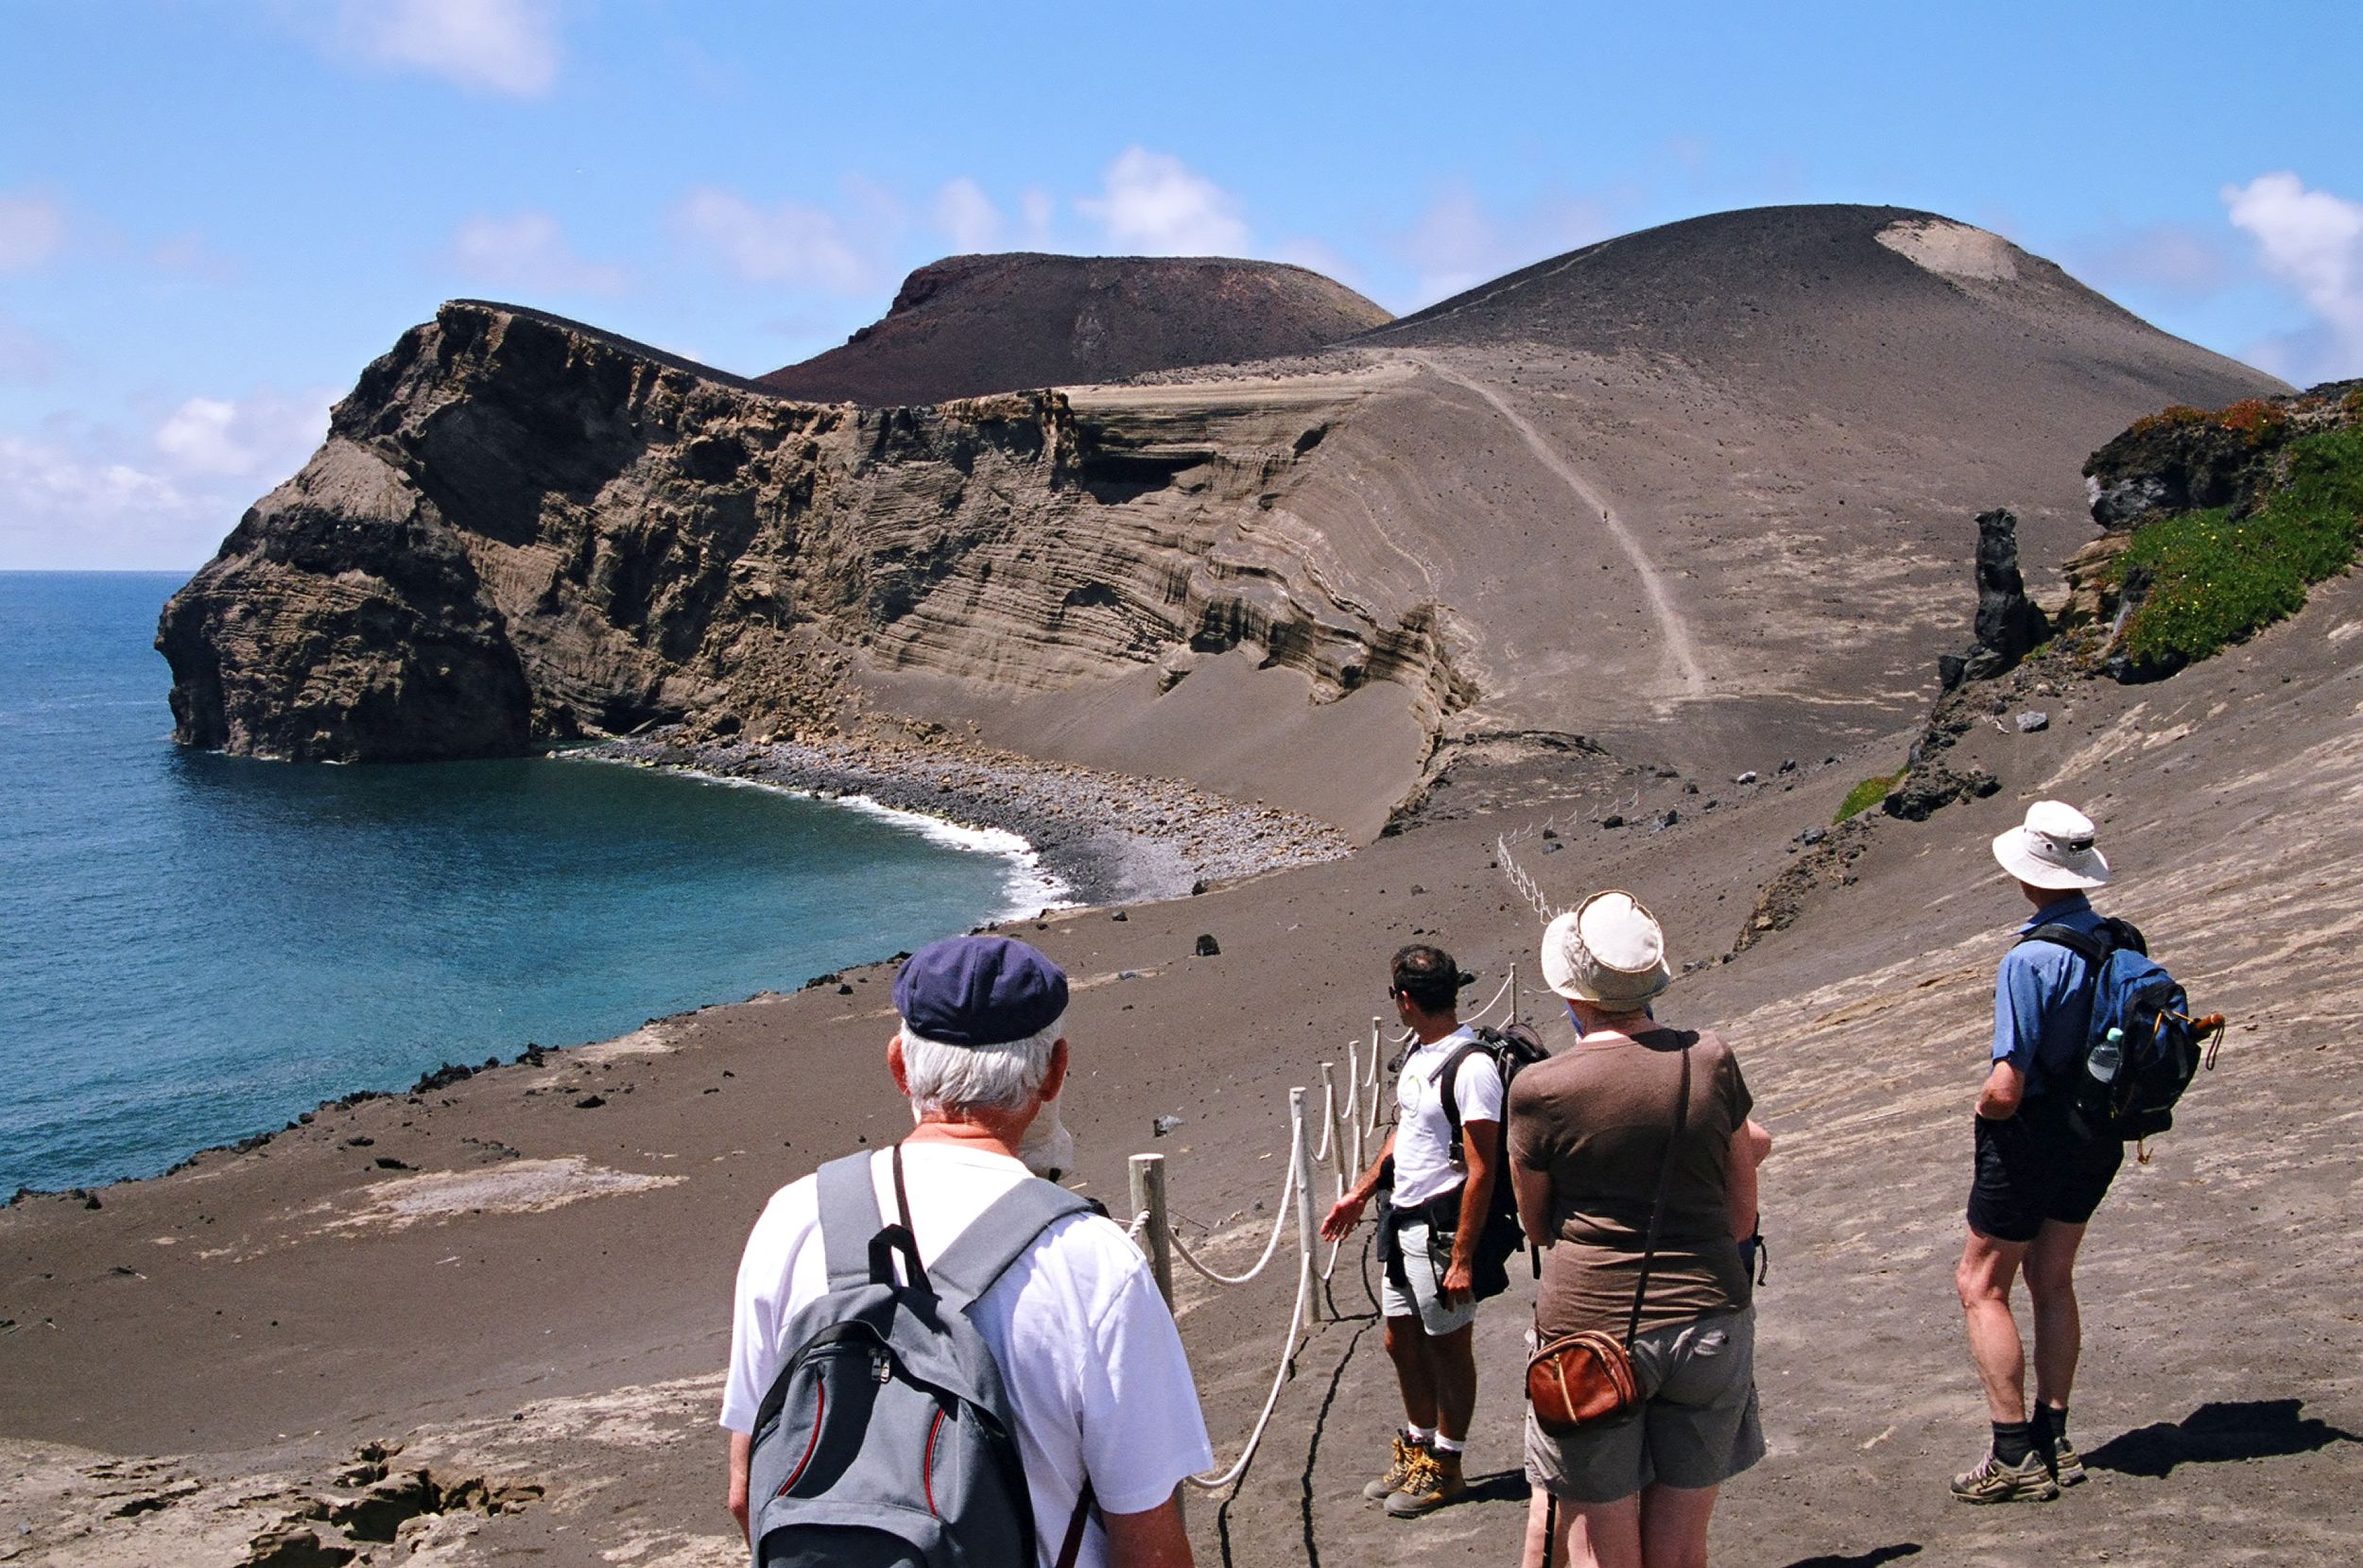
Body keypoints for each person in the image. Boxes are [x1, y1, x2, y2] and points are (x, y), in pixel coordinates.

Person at [720, 935, 1211, 1567]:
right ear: (1055, 1070)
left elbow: (746, 1492)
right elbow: (1150, 1547)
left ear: (900, 1065)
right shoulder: (1093, 1260)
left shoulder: (792, 1218)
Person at [1509, 891, 1770, 1568]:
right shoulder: (1709, 1059)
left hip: (1590, 1330)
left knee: (1602, 1542)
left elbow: (1536, 1226)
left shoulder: (1541, 1089)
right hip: (1709, 1313)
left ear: (1573, 992)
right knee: (1682, 1542)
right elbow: (1742, 1213)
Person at [1952, 801, 2122, 1504]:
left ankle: (2012, 1453)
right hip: (2098, 1134)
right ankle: (2057, 1436)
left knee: (1981, 1284)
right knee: (2053, 1279)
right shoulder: (2118, 937)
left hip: (2033, 1138)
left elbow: (2007, 1082)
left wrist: (1982, 1108)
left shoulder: (2030, 958)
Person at [1319, 942, 1503, 1517]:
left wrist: (1464, 1257)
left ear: (1405, 1001)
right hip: (1401, 1220)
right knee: (1401, 1339)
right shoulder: (1422, 1055)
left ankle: (1447, 1463)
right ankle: (1419, 1445)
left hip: (1441, 1228)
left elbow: (1483, 1168)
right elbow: (1406, 1135)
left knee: (1449, 1347)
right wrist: (1363, 1190)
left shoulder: (1471, 1067)